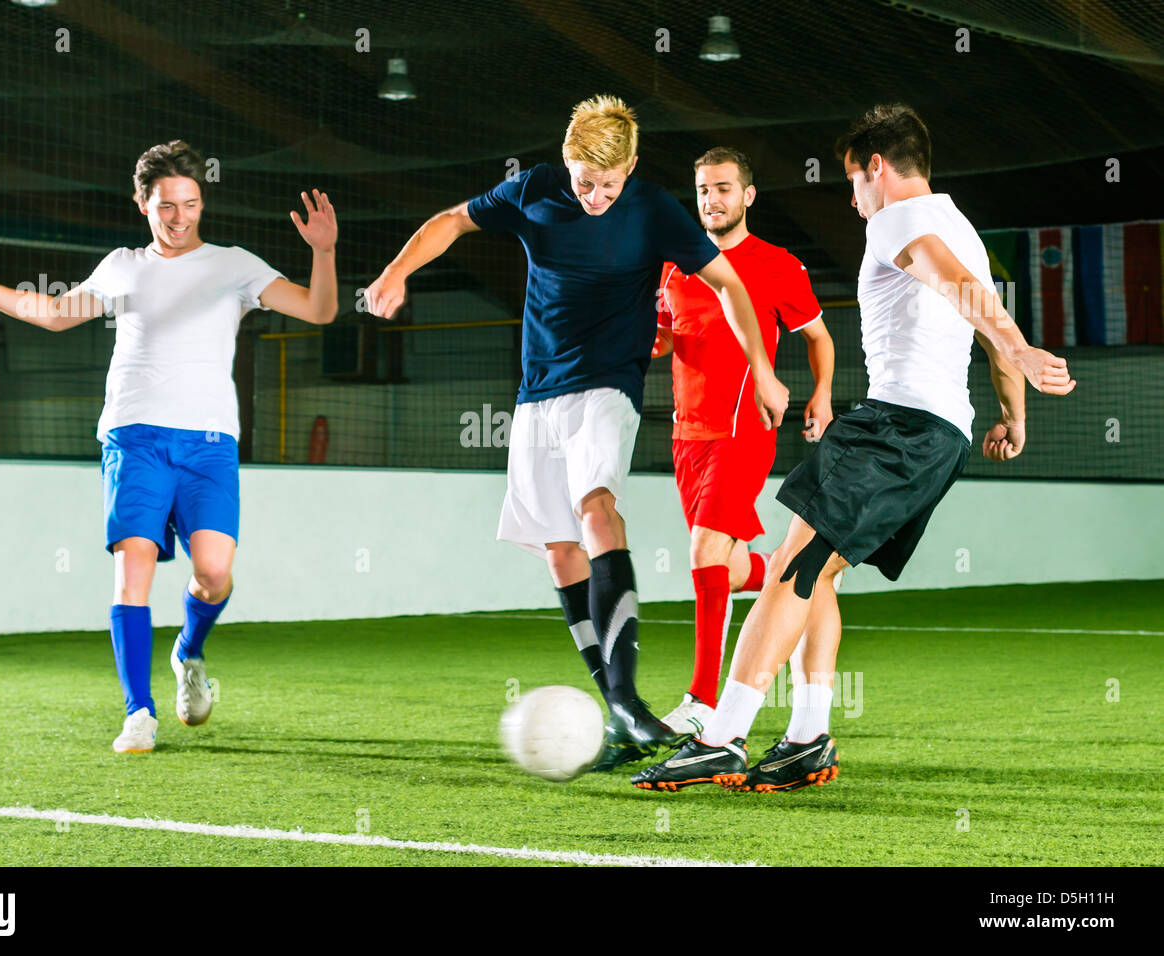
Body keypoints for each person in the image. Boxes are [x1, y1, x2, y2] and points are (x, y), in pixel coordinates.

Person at [633, 104, 1075, 792]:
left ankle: (721, 736)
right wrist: (1013, 415)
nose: (852, 198)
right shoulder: (962, 227)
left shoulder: (902, 218)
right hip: (939, 434)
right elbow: (982, 324)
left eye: (852, 180)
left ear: (877, 166)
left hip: (896, 427)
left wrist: (1018, 347)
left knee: (792, 564)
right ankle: (807, 735)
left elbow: (951, 284)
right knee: (820, 566)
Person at [365, 95, 790, 770]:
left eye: (607, 184)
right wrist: (395, 272)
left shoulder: (654, 210)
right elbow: (452, 221)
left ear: (632, 167)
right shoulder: (534, 189)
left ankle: (626, 701)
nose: (592, 196)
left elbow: (731, 284)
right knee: (559, 550)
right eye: (582, 182)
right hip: (537, 395)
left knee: (597, 508)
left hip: (608, 386)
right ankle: (614, 707)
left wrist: (764, 372)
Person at [0, 140, 339, 753]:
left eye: (191, 203)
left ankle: (188, 652)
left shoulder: (235, 265)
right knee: (133, 563)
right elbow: (56, 313)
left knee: (214, 574)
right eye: (167, 205)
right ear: (143, 203)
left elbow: (320, 310)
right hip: (134, 435)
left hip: (210, 443)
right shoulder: (124, 266)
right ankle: (139, 712)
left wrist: (323, 252)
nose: (179, 216)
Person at [651, 146, 836, 736]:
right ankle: (791, 580)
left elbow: (819, 338)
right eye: (704, 189)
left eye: (724, 188)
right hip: (686, 435)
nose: (712, 199)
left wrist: (821, 395)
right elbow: (660, 339)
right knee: (724, 569)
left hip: (744, 431)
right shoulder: (674, 265)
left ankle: (703, 702)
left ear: (748, 196)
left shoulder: (778, 264)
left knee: (703, 556)